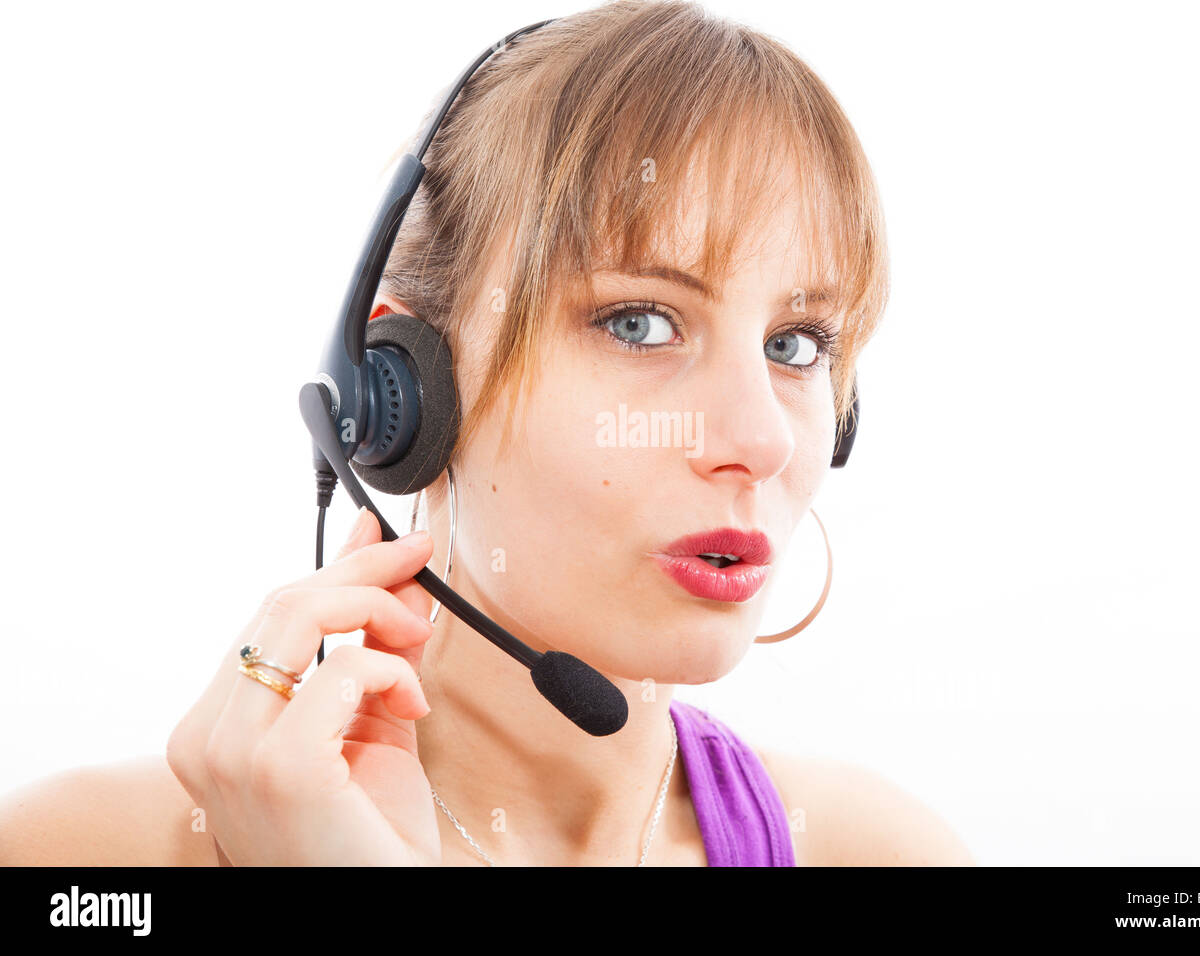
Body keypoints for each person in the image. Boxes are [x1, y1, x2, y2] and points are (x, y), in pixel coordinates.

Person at [0, 0, 973, 866]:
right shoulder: (78, 854)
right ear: (405, 391)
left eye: (795, 343)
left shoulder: (879, 849)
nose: (759, 439)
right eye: (637, 321)